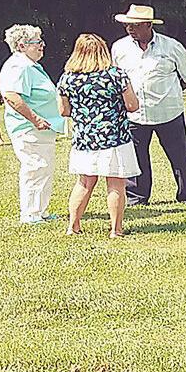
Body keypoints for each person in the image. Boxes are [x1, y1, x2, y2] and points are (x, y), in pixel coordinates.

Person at [110, 4, 186, 206]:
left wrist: (169, 93)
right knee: (136, 158)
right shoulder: (119, 48)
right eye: (127, 25)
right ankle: (137, 197)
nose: (129, 29)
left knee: (179, 157)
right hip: (134, 114)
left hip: (168, 112)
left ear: (148, 25)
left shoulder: (172, 47)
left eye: (134, 25)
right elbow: (116, 79)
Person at [58, 34, 141, 238]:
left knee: (84, 183)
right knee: (116, 183)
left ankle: (73, 226)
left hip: (85, 139)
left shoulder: (67, 78)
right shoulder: (116, 75)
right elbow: (132, 105)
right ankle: (116, 229)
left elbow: (64, 111)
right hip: (114, 138)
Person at [0, 24, 66, 225]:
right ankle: (30, 214)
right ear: (22, 45)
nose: (42, 45)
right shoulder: (19, 66)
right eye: (38, 42)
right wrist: (35, 119)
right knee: (35, 167)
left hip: (42, 129)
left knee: (44, 168)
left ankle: (40, 211)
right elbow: (11, 95)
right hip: (29, 128)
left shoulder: (30, 65)